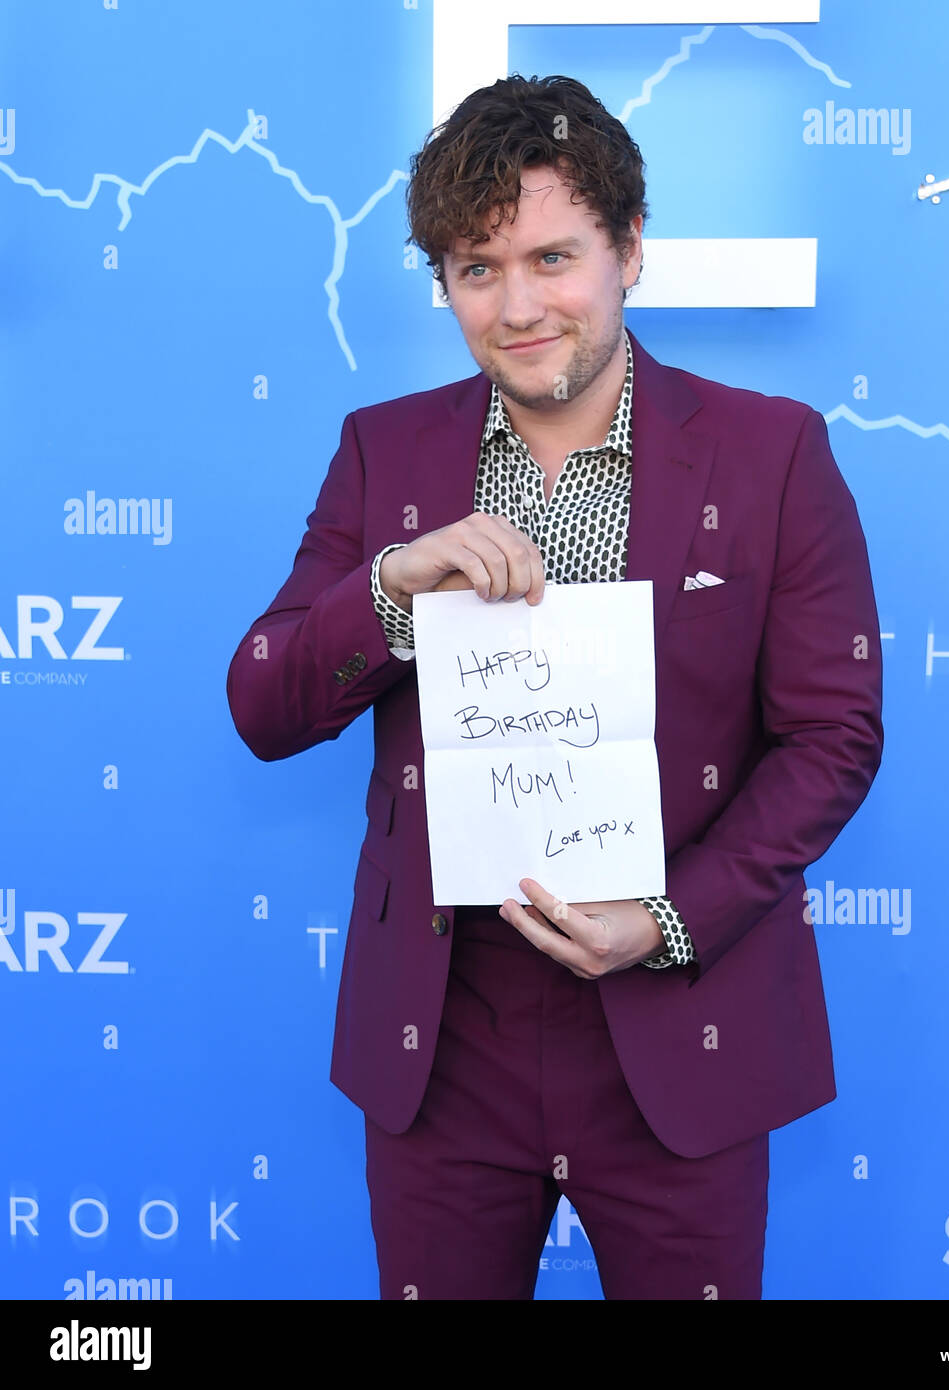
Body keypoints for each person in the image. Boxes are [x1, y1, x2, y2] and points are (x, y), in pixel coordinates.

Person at [226, 73, 883, 1300]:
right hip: (445, 1037)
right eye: (478, 270)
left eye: (552, 257)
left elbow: (832, 739)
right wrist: (389, 593)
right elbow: (260, 704)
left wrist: (669, 918)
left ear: (631, 249)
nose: (519, 306)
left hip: (681, 1020)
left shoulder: (772, 451)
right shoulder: (387, 453)